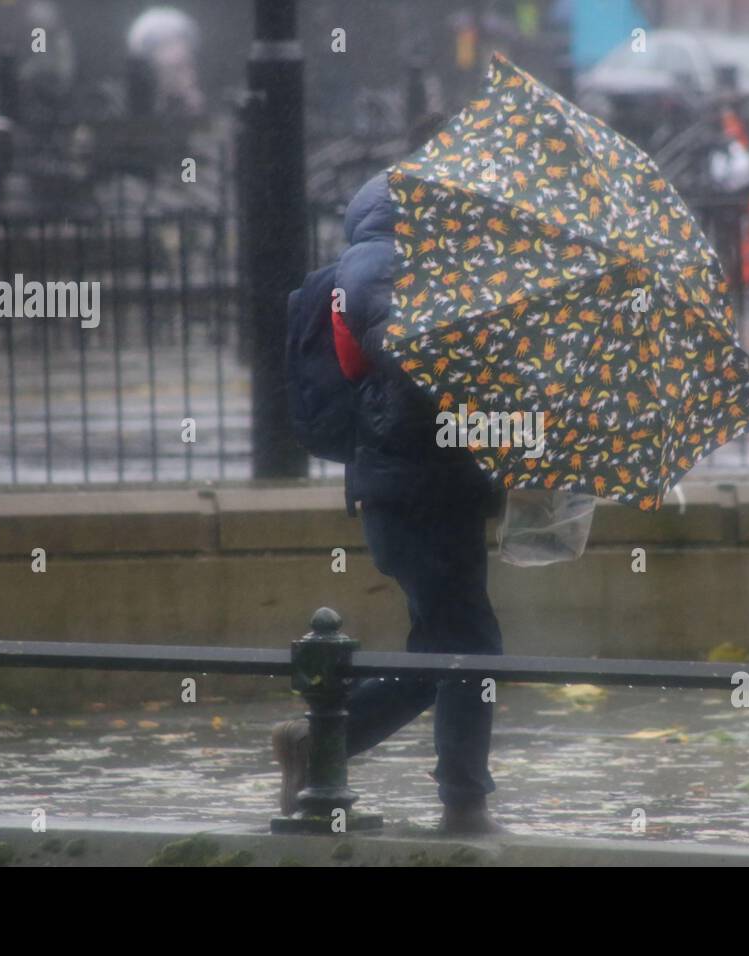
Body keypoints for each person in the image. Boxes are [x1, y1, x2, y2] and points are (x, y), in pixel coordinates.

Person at [273, 124, 507, 837]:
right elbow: (415, 367)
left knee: (454, 640)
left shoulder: (392, 266)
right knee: (466, 646)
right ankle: (446, 790)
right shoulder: (387, 269)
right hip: (417, 489)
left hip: (413, 487)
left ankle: (361, 755)